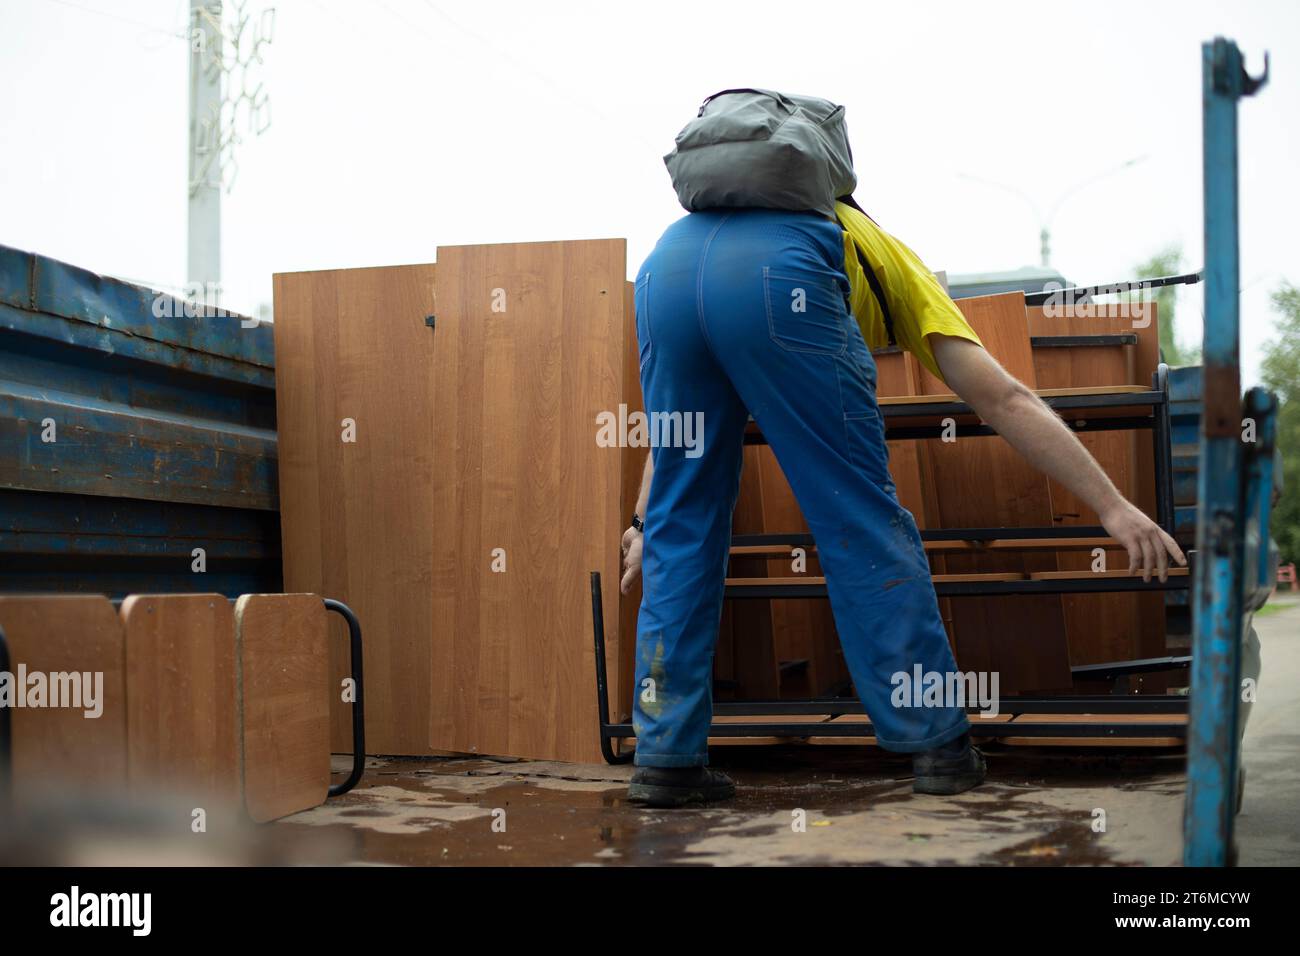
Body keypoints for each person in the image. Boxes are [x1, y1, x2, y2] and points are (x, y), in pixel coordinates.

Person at [618, 197, 1186, 809]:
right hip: (778, 283)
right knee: (859, 522)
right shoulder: (876, 251)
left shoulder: (688, 239)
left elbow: (676, 436)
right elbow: (1004, 398)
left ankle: (665, 761)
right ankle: (937, 746)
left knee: (681, 537)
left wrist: (647, 520)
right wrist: (1111, 505)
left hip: (661, 282)